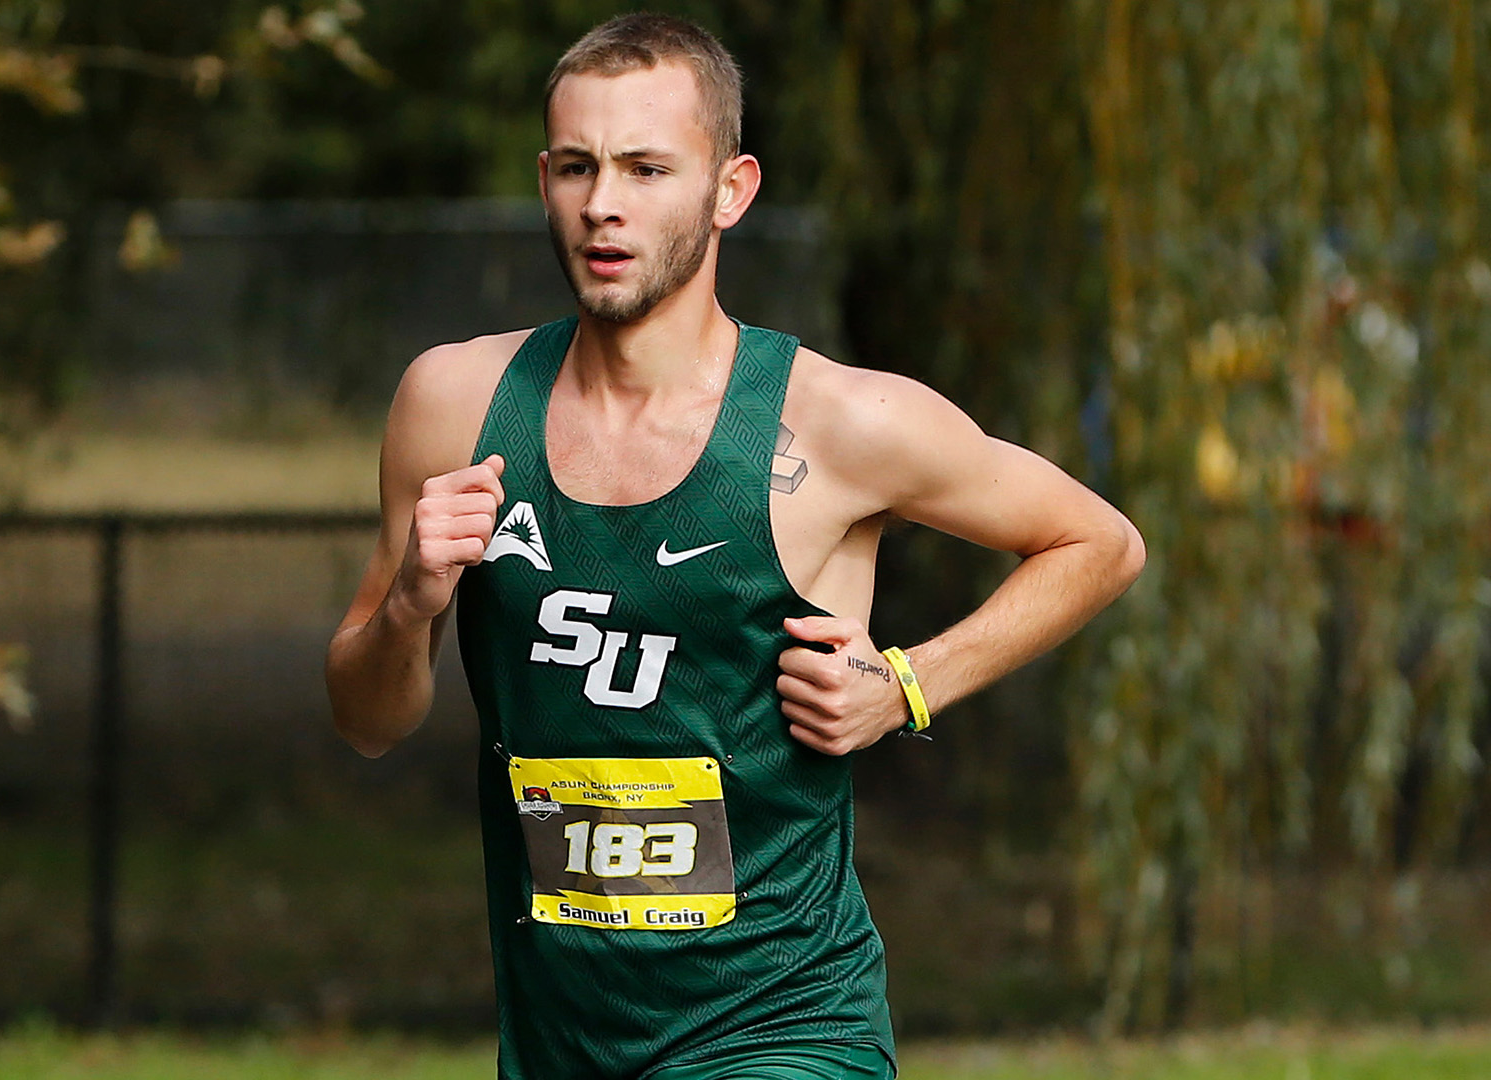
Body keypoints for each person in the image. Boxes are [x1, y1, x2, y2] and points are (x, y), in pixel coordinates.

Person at [326, 13, 1145, 1080]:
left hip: (784, 1031)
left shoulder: (838, 425)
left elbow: (1098, 541)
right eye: (577, 167)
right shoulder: (453, 407)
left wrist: (905, 685)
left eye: (645, 168)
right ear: (544, 182)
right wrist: (411, 606)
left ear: (731, 190)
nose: (603, 203)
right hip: (561, 1039)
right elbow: (367, 720)